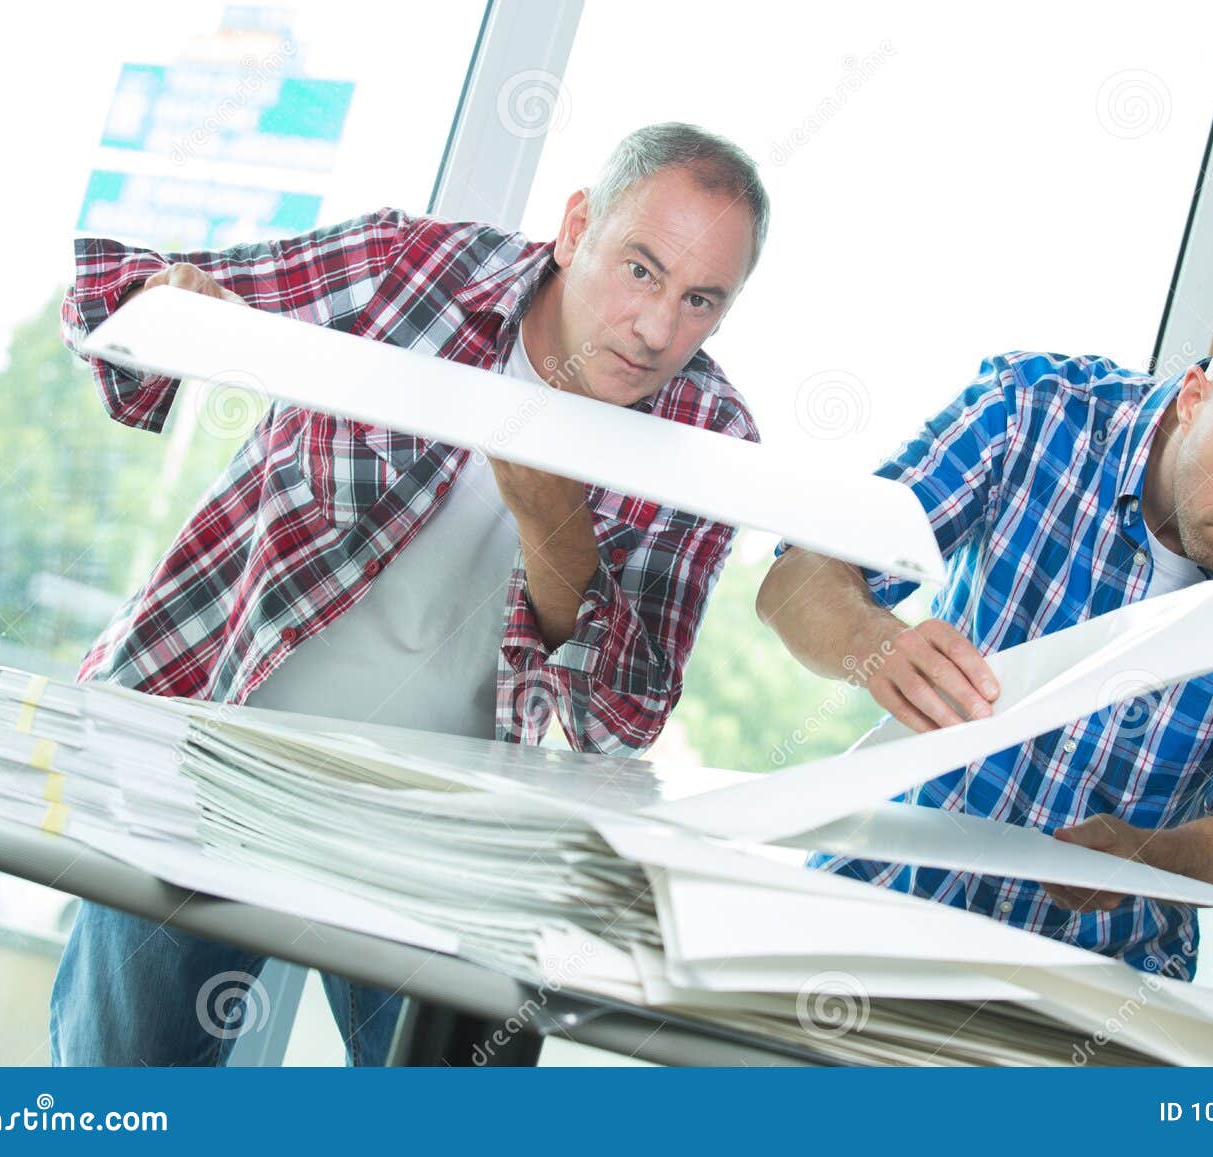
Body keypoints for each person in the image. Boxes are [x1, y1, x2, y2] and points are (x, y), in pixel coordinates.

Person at [51, 122, 768, 1065]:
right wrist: (169, 307)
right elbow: (109, 295)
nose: (657, 329)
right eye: (642, 270)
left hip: (436, 831)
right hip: (211, 753)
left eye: (700, 300)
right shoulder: (411, 267)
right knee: (120, 1097)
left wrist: (554, 525)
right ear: (576, 227)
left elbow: (619, 719)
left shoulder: (711, 437)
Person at [757, 302, 1213, 979]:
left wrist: (1150, 859)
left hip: (1100, 978)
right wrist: (874, 641)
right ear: (1194, 399)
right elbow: (796, 577)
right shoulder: (1031, 410)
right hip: (875, 900)